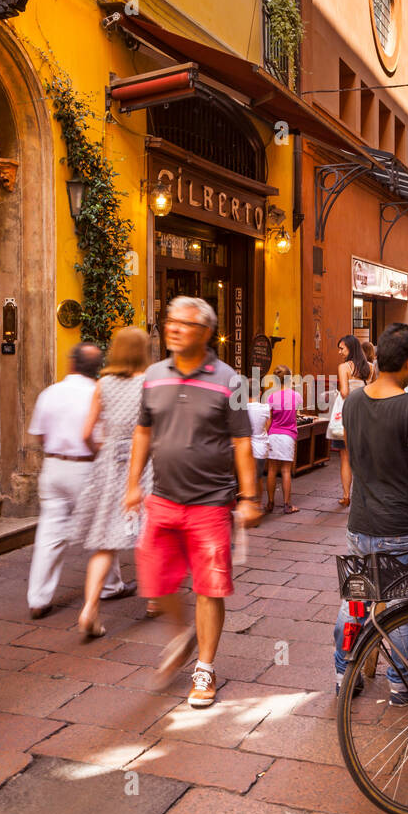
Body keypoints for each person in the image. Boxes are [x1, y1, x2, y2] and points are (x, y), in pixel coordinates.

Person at [125, 296, 262, 709]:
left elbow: (242, 441)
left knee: (209, 586)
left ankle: (205, 666)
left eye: (183, 324)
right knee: (155, 581)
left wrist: (250, 496)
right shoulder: (152, 376)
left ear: (204, 332)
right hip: (163, 497)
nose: (172, 328)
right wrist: (133, 484)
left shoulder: (231, 382)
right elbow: (143, 432)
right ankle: (185, 634)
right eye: (170, 321)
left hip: (211, 501)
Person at [334, 323, 408, 702]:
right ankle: (400, 684)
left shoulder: (352, 402)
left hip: (360, 522)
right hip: (399, 522)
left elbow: (356, 453)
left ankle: (343, 675)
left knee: (355, 601)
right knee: (400, 606)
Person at [25, 342, 132, 620]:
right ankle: (110, 585)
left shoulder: (50, 393)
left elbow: (38, 434)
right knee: (104, 525)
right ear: (98, 368)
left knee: (50, 533)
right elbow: (101, 436)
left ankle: (38, 598)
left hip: (53, 466)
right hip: (86, 467)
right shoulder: (99, 394)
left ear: (71, 364)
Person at [74, 327, 151, 640]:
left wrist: (102, 454)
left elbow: (85, 432)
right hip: (143, 462)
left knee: (106, 539)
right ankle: (157, 599)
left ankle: (90, 607)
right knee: (149, 531)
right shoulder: (149, 383)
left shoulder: (102, 384)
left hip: (109, 461)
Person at [332, 334, 371, 508]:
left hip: (348, 415)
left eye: (342, 348)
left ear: (350, 348)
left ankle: (346, 496)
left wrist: (340, 390)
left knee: (346, 458)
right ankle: (363, 495)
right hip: (366, 416)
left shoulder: (344, 367)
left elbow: (345, 393)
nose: (340, 352)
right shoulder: (371, 367)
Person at [265, 365, 302, 514]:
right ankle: (287, 505)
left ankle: (270, 503)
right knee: (286, 470)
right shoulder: (296, 396)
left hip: (273, 434)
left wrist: (266, 435)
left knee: (272, 470)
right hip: (288, 435)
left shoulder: (271, 397)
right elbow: (295, 414)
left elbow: (269, 420)